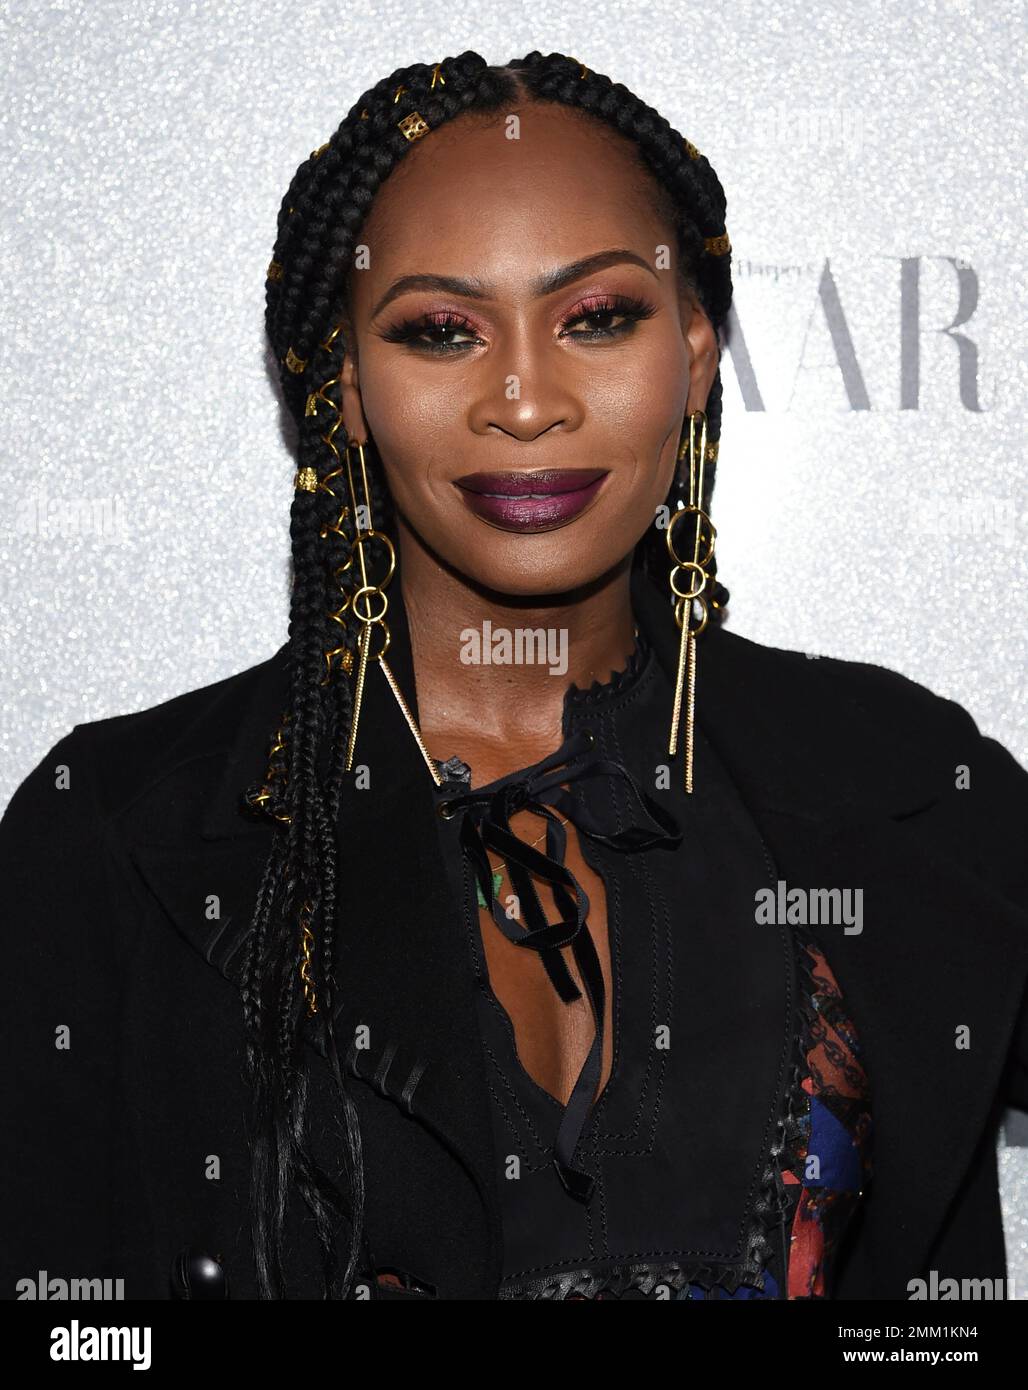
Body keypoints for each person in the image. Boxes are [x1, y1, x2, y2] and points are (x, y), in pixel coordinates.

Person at [3, 50, 1027, 1303]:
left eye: (596, 317)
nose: (524, 400)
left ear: (696, 357)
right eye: (440, 331)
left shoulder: (907, 784)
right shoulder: (115, 828)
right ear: (345, 391)